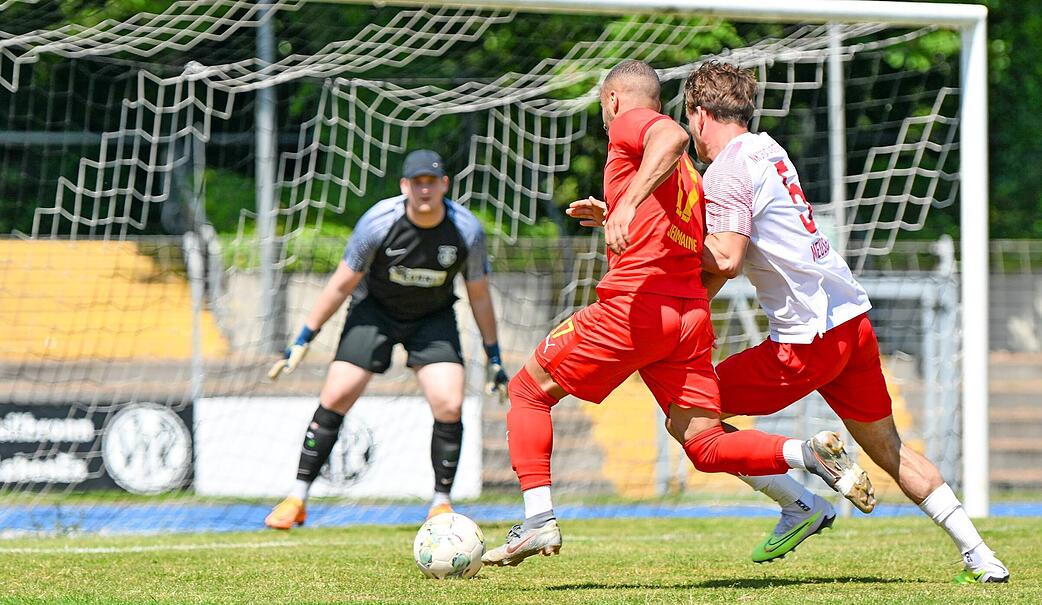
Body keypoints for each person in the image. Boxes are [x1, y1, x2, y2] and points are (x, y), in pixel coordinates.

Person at [570, 61, 1008, 583]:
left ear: (699, 114)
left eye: (688, 122)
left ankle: (802, 499)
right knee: (890, 451)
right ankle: (982, 557)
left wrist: (650, 242)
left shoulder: (728, 167)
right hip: (852, 323)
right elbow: (719, 258)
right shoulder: (767, 149)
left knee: (691, 423)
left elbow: (726, 259)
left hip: (806, 342)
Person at [482, 60, 871, 569]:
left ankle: (537, 521)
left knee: (528, 391)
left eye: (605, 107)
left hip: (636, 308)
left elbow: (668, 136)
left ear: (615, 101)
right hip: (685, 317)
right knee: (702, 441)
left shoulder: (642, 130)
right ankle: (805, 457)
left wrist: (624, 208)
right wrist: (618, 208)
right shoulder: (687, 178)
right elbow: (678, 234)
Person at [264, 149, 509, 528]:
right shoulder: (378, 222)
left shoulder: (467, 230)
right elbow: (341, 284)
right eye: (417, 182)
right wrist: (304, 338)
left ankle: (441, 503)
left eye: (432, 182)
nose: (424, 189)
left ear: (444, 185)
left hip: (432, 316)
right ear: (404, 186)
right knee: (337, 393)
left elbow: (478, 293)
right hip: (374, 312)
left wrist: (494, 356)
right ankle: (297, 497)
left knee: (449, 401)